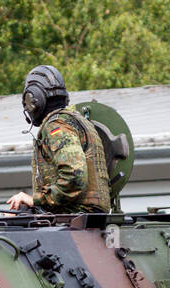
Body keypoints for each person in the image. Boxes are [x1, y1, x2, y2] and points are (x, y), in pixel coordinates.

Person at [6, 65, 111, 215]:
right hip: (82, 218)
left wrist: (36, 200)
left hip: (75, 218)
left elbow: (74, 176)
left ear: (33, 100)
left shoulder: (57, 127)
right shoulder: (75, 121)